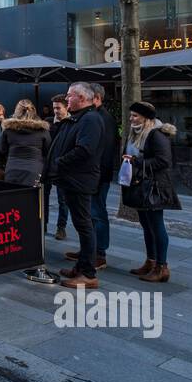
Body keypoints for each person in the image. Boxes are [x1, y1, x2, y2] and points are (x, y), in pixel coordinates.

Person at [43, 82, 104, 287]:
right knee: (81, 225)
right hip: (71, 179)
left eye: (70, 95)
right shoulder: (79, 118)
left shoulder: (90, 119)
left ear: (82, 98)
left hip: (79, 180)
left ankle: (88, 274)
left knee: (84, 225)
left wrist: (59, 162)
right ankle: (81, 266)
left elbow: (84, 150)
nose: (66, 98)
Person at [121, 101, 181, 283]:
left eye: (135, 116)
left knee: (156, 225)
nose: (131, 119)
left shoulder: (156, 134)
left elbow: (164, 161)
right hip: (139, 184)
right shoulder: (136, 132)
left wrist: (136, 161)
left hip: (154, 186)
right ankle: (151, 261)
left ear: (146, 118)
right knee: (146, 225)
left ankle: (162, 267)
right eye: (131, 115)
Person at [69, 82, 118, 268]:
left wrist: (96, 176)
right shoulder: (94, 116)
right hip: (93, 175)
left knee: (97, 213)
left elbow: (103, 151)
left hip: (98, 176)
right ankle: (88, 250)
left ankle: (99, 253)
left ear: (96, 98)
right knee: (89, 214)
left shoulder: (102, 118)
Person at [0, 99, 51, 187]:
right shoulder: (42, 130)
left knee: (11, 194)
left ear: (16, 111)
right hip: (34, 169)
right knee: (32, 195)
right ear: (33, 111)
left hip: (12, 168)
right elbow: (48, 151)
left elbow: (3, 149)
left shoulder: (8, 130)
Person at [47, 94, 70, 240]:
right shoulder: (48, 122)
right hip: (48, 165)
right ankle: (43, 224)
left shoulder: (72, 123)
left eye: (58, 108)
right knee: (44, 196)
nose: (55, 111)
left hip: (63, 167)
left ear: (66, 107)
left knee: (63, 200)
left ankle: (61, 227)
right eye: (54, 108)